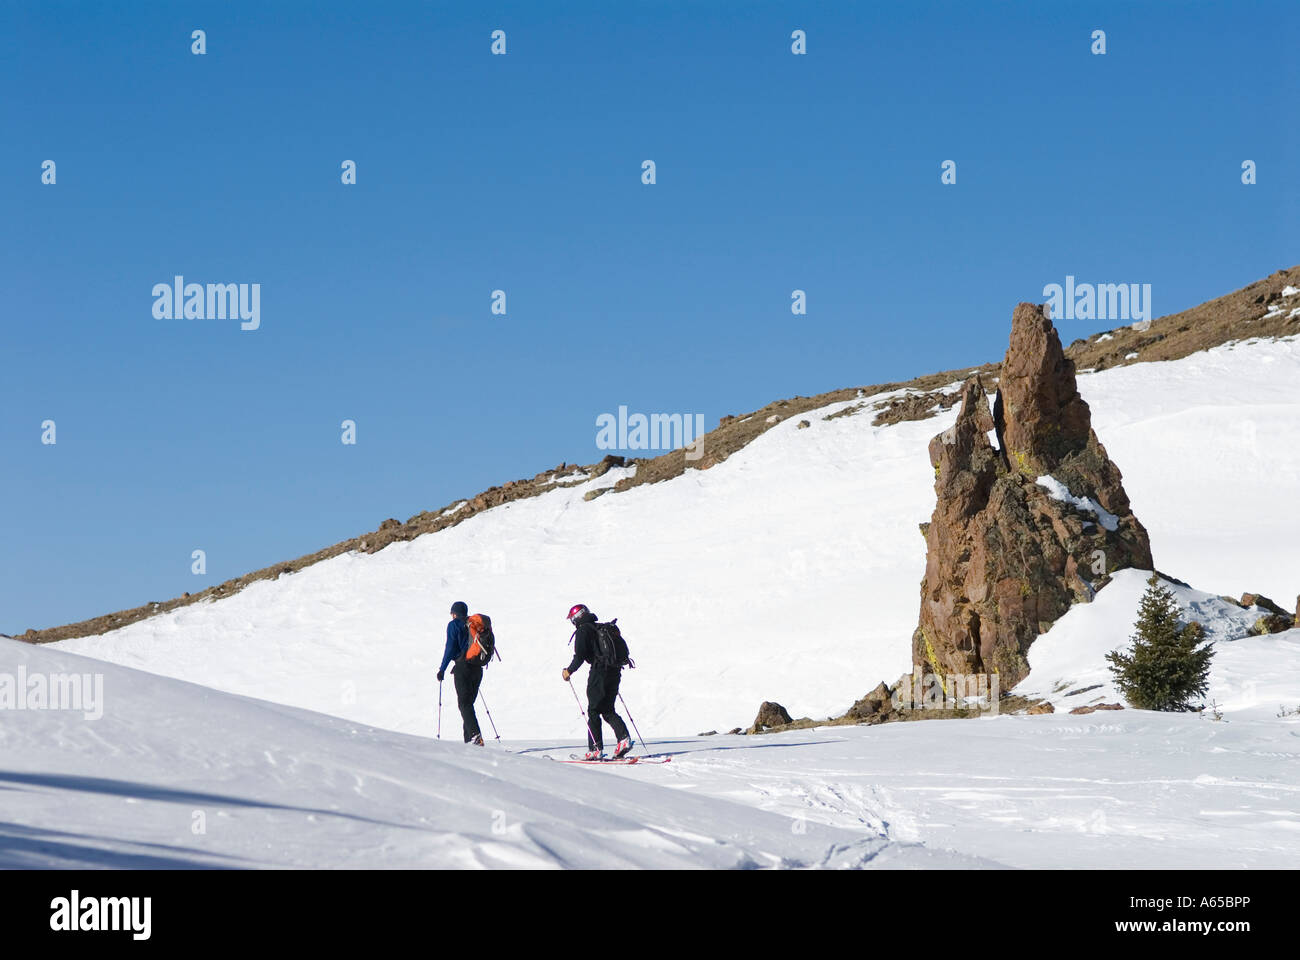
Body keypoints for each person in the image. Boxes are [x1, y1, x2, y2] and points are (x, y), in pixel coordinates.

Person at [561, 603, 632, 760]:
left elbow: (580, 656)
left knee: (593, 711)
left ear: (576, 617)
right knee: (607, 709)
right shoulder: (599, 627)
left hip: (599, 672)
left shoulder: (583, 631)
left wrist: (569, 670)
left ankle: (595, 749)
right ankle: (623, 739)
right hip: (614, 671)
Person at [439, 601, 483, 745]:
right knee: (468, 704)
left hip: (463, 668)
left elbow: (450, 647)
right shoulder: (474, 625)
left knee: (464, 704)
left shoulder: (454, 625)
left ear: (454, 613)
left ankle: (475, 735)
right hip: (477, 668)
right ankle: (469, 741)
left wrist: (442, 669)